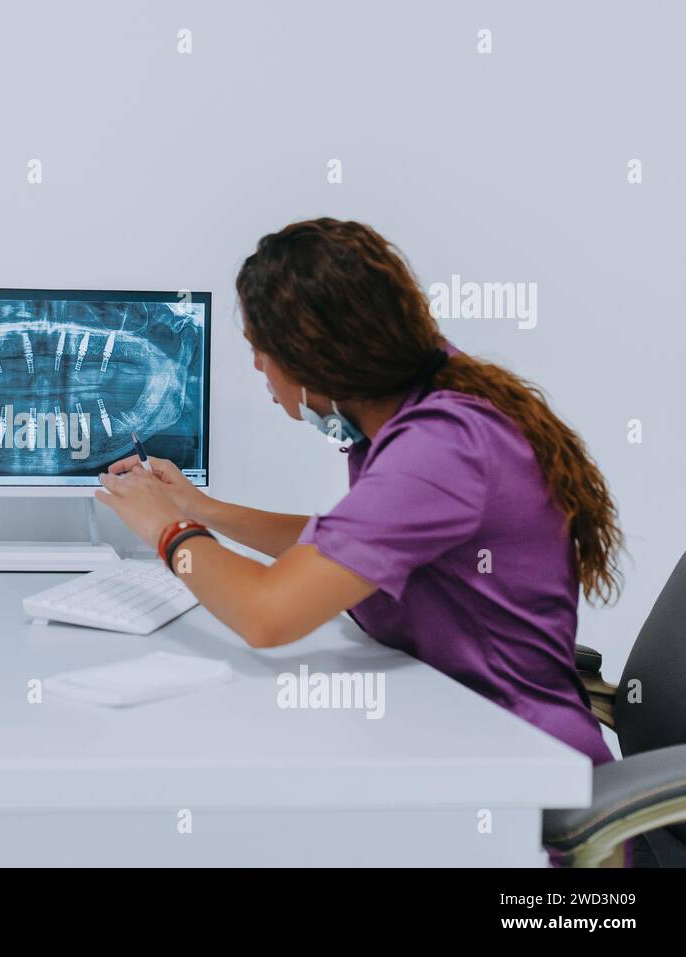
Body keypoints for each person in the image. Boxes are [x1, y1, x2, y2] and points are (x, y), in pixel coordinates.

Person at [95, 218, 629, 866]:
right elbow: (346, 546)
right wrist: (200, 507)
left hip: (529, 801)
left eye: (261, 348)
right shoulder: (424, 395)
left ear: (313, 356)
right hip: (462, 742)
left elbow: (267, 615)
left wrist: (168, 531)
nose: (258, 366)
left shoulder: (443, 446)